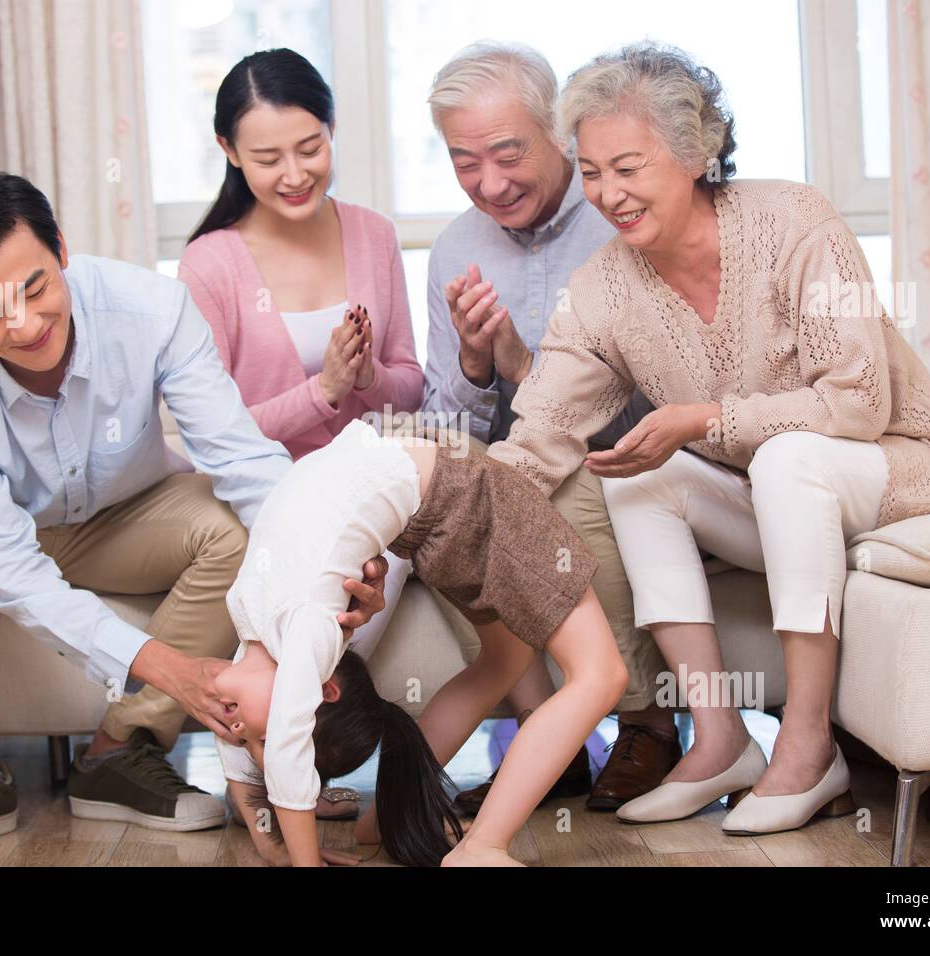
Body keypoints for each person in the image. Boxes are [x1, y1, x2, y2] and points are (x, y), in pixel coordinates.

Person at [489, 42, 930, 835]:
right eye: (590, 172)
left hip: (903, 470)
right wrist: (436, 495)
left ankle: (808, 744)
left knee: (787, 453)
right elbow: (543, 429)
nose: (608, 194)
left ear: (696, 153)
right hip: (783, 497)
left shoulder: (795, 220)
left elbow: (857, 403)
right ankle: (721, 736)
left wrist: (705, 420)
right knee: (634, 476)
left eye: (628, 166)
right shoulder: (601, 289)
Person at [0, 171, 388, 860]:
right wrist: (165, 665)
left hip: (121, 522)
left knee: (233, 525)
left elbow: (246, 464)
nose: (21, 324)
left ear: (62, 250)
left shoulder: (154, 310)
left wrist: (332, 561)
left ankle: (117, 755)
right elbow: (10, 567)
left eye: (34, 288)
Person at [421, 41, 675, 814]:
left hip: (625, 452)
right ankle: (544, 737)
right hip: (515, 455)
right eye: (466, 162)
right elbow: (445, 421)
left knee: (566, 484)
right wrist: (474, 362)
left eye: (507, 154)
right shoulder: (455, 250)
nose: (489, 184)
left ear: (560, 133)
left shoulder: (619, 219)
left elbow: (653, 403)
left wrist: (526, 366)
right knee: (443, 489)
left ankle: (647, 724)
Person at [177, 49, 426, 819]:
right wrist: (320, 393)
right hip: (264, 488)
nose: (294, 173)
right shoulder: (210, 264)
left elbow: (411, 385)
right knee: (310, 590)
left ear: (332, 130)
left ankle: (289, 776)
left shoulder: (373, 235)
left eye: (310, 147)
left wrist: (362, 383)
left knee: (360, 579)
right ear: (228, 153)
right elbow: (206, 435)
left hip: (367, 482)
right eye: (267, 157)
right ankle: (272, 777)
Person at [213, 419, 627, 866]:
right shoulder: (301, 634)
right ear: (320, 690)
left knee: (504, 661)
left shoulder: (250, 615)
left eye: (251, 739)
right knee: (601, 674)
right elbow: (282, 754)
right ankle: (483, 847)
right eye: (258, 739)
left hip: (440, 512)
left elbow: (262, 747)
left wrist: (277, 849)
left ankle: (387, 818)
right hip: (465, 500)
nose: (238, 732)